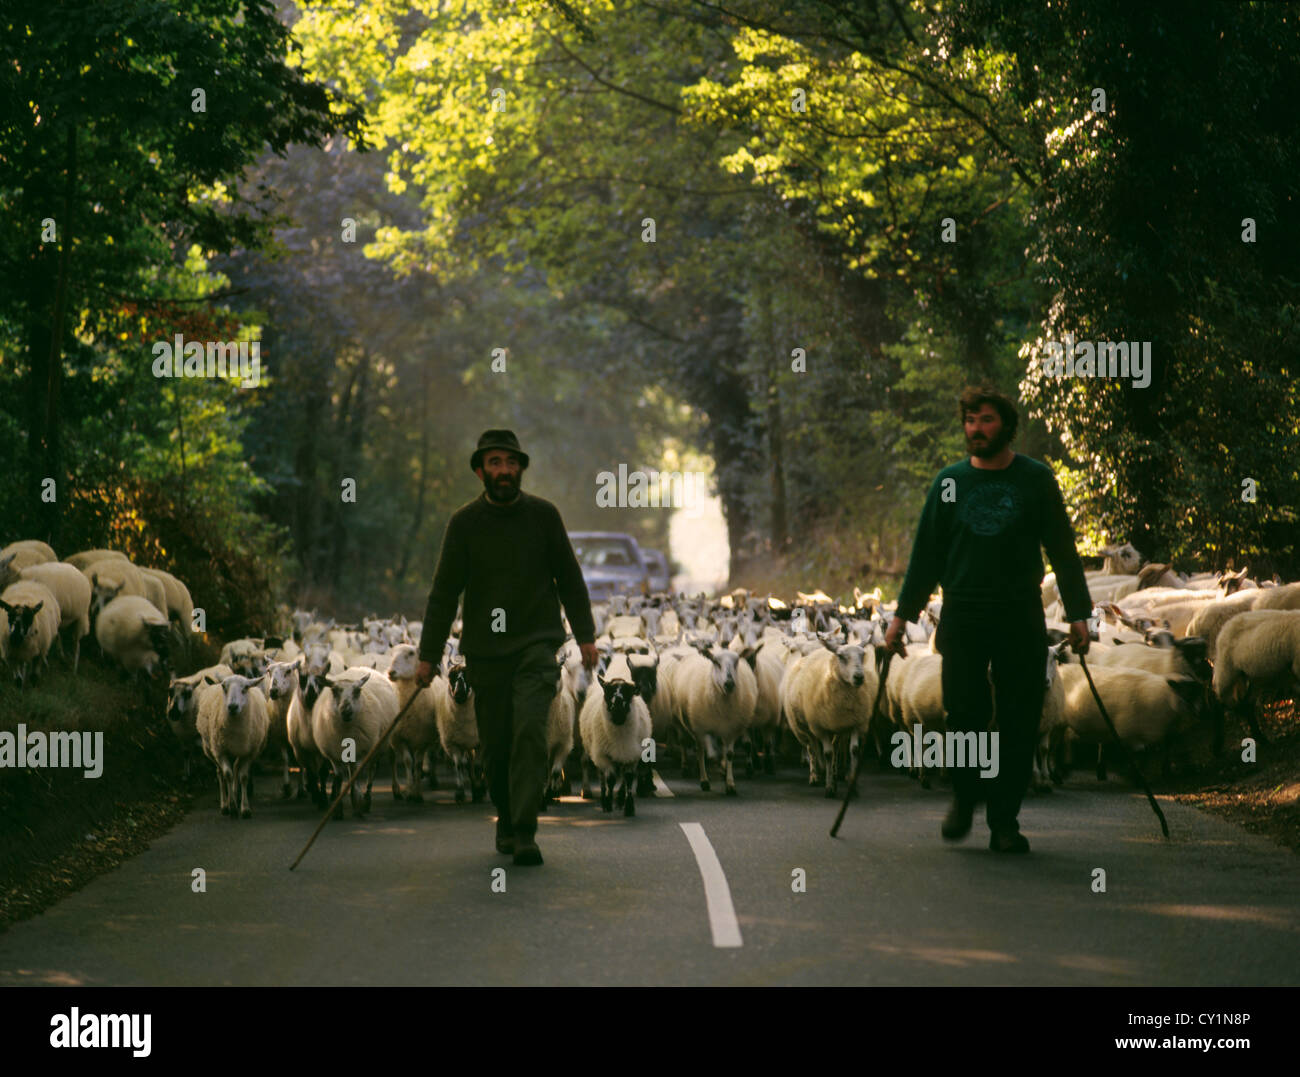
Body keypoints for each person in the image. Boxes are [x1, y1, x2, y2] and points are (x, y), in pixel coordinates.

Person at [883, 387, 1093, 854]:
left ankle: (1004, 820)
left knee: (1020, 718)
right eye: (970, 421)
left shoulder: (1035, 480)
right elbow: (926, 557)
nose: (976, 429)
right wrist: (902, 616)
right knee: (963, 712)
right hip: (963, 611)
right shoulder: (950, 482)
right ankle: (964, 794)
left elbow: (1062, 548)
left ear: (1007, 426)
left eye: (986, 420)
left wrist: (1079, 612)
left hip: (1019, 610)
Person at [415, 430, 598, 866]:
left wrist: (586, 635)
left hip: (537, 645)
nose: (503, 470)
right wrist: (427, 655)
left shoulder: (544, 517)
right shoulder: (464, 524)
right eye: (495, 462)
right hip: (485, 652)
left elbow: (570, 578)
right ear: (481, 470)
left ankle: (524, 830)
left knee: (531, 734)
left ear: (520, 469)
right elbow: (444, 593)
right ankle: (506, 813)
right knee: (495, 747)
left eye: (511, 463)